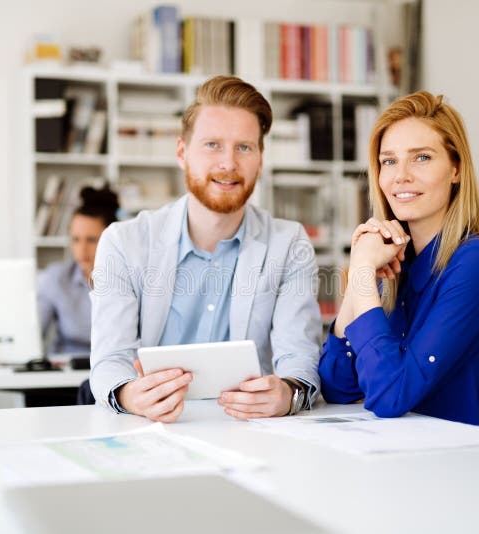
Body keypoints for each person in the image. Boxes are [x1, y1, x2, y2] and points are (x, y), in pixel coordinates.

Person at [89, 75, 322, 422]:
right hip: (151, 430)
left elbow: (300, 359)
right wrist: (129, 394)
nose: (228, 163)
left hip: (249, 432)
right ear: (182, 153)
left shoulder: (289, 244)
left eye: (244, 147)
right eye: (212, 144)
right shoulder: (123, 243)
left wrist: (289, 393)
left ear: (260, 159)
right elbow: (110, 361)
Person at [319, 90, 479, 434]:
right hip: (425, 460)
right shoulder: (392, 263)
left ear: (455, 169)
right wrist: (362, 272)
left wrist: (362, 272)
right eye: (389, 161)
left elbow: (391, 396)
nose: (400, 176)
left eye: (421, 158)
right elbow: (337, 387)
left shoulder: (478, 265)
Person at [38, 185, 119, 355]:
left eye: (91, 240)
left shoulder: (129, 281)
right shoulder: (56, 278)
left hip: (113, 373)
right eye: (76, 240)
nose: (81, 250)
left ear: (111, 239)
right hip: (65, 373)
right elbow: (32, 334)